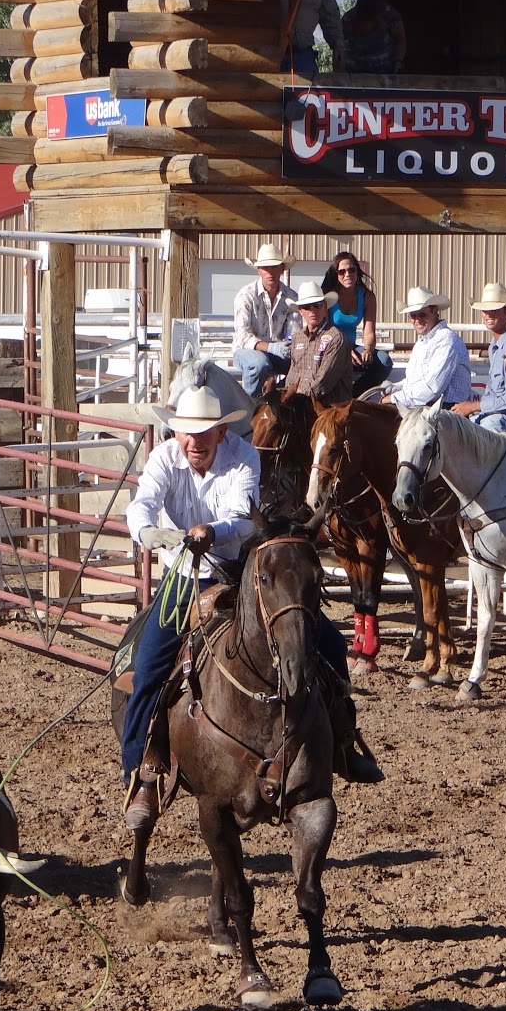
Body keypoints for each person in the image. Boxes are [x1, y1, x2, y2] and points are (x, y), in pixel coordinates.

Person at [122, 385, 381, 830]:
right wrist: (147, 531)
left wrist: (212, 532)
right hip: (183, 575)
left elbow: (243, 517)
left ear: (221, 432)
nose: (194, 442)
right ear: (176, 432)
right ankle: (142, 774)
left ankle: (343, 740)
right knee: (147, 668)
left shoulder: (243, 456)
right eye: (186, 432)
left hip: (239, 571)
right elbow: (142, 503)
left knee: (328, 643)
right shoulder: (164, 459)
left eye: (203, 433)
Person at [452, 280, 506, 433]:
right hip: (496, 416)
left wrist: (473, 406)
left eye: (495, 309)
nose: (488, 314)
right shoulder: (494, 347)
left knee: (482, 431)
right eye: (485, 310)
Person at [387, 286, 473, 413]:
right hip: (427, 410)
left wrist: (393, 398)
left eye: (422, 314)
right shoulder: (422, 342)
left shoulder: (447, 340)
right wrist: (394, 387)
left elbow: (432, 388)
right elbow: (415, 383)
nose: (417, 320)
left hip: (445, 413)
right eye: (413, 315)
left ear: (435, 311)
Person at [320, 251, 393, 396]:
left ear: (357, 271)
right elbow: (324, 329)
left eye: (351, 270)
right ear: (335, 274)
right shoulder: (327, 295)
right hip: (330, 347)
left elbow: (369, 331)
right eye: (342, 271)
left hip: (352, 348)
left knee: (384, 362)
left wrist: (368, 349)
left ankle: (355, 397)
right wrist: (344, 350)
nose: (347, 275)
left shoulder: (367, 296)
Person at [233, 241, 296, 398]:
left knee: (303, 364)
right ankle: (250, 405)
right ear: (259, 270)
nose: (270, 272)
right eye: (265, 267)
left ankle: (281, 401)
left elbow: (294, 330)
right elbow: (242, 336)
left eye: (274, 267)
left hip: (278, 351)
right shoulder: (246, 295)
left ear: (282, 268)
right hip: (247, 351)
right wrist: (270, 347)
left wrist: (289, 346)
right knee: (259, 363)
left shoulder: (292, 297)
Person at [284, 280, 353, 406]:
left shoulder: (335, 338)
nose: (312, 311)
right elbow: (292, 376)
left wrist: (296, 396)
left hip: (330, 408)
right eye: (306, 306)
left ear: (324, 306)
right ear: (300, 310)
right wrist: (288, 394)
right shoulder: (297, 338)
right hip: (302, 403)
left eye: (317, 305)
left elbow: (324, 382)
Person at [341, 0, 406, 74]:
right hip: (355, 72)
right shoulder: (347, 21)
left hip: (386, 71)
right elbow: (340, 50)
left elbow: (400, 40)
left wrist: (398, 61)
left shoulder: (390, 16)